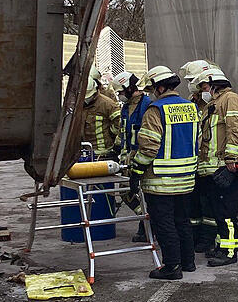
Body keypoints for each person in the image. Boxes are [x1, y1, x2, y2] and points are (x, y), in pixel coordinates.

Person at [129, 65, 199, 280]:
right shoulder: (191, 107)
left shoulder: (155, 110)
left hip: (160, 181)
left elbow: (149, 147)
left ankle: (172, 266)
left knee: (164, 223)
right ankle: (188, 262)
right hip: (186, 178)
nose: (151, 94)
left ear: (159, 87)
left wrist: (136, 171)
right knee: (182, 220)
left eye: (152, 89)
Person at [195, 67, 238, 266]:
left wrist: (232, 160)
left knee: (226, 214)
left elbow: (236, 129)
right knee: (218, 213)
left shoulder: (231, 99)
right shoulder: (213, 104)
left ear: (214, 85)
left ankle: (229, 253)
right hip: (211, 168)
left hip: (224, 166)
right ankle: (220, 248)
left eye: (204, 87)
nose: (203, 92)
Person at [180, 60, 219, 252]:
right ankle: (195, 237)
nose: (190, 84)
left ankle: (208, 239)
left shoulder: (214, 102)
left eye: (192, 80)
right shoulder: (192, 101)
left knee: (210, 205)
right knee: (194, 204)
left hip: (211, 161)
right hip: (195, 161)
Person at [114, 70, 153, 241]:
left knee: (144, 193)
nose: (120, 96)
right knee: (126, 191)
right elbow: (123, 132)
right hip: (127, 159)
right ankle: (146, 219)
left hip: (142, 158)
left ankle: (147, 226)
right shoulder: (126, 107)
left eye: (121, 92)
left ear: (129, 88)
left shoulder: (147, 105)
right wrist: (115, 150)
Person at [83, 68, 122, 158]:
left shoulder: (107, 103)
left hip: (103, 153)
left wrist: (109, 135)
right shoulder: (78, 104)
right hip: (83, 151)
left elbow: (119, 125)